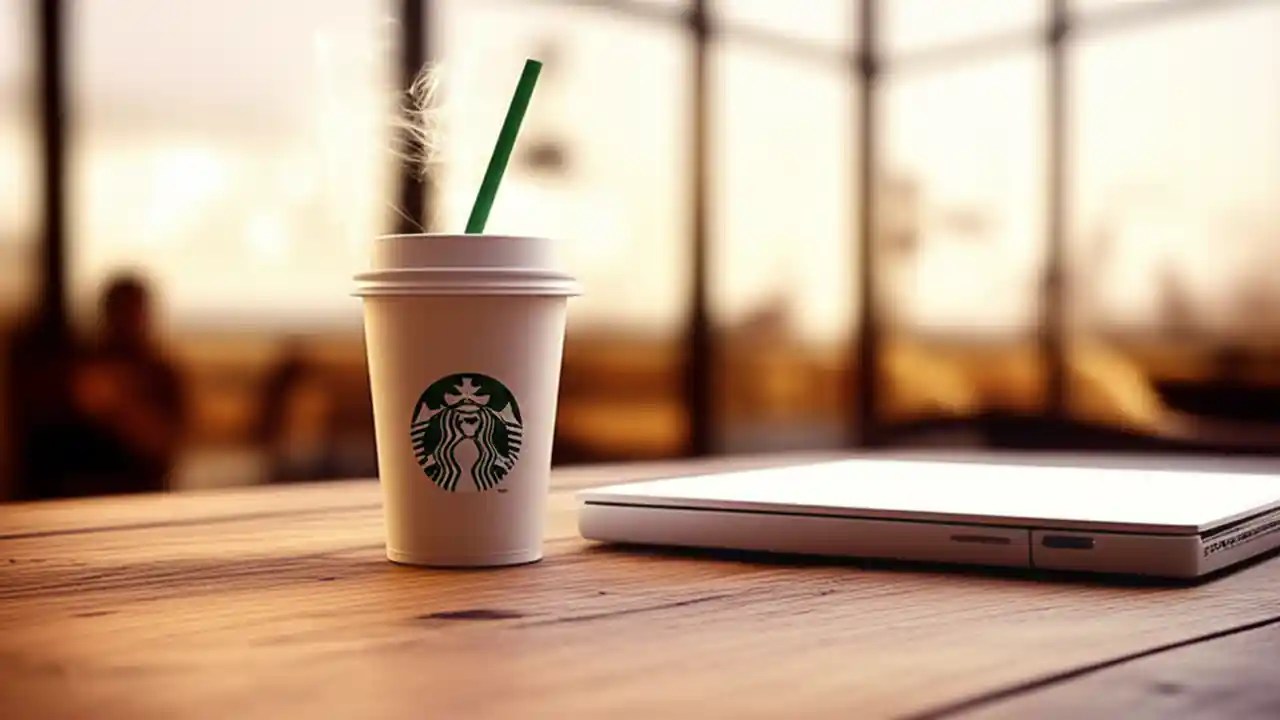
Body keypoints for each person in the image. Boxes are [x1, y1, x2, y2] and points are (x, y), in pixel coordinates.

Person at [49, 275, 186, 496]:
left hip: (143, 493)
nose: (130, 321)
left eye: (135, 312)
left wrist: (118, 407)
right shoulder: (81, 368)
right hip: (85, 493)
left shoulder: (161, 373)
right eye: (122, 312)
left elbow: (166, 444)